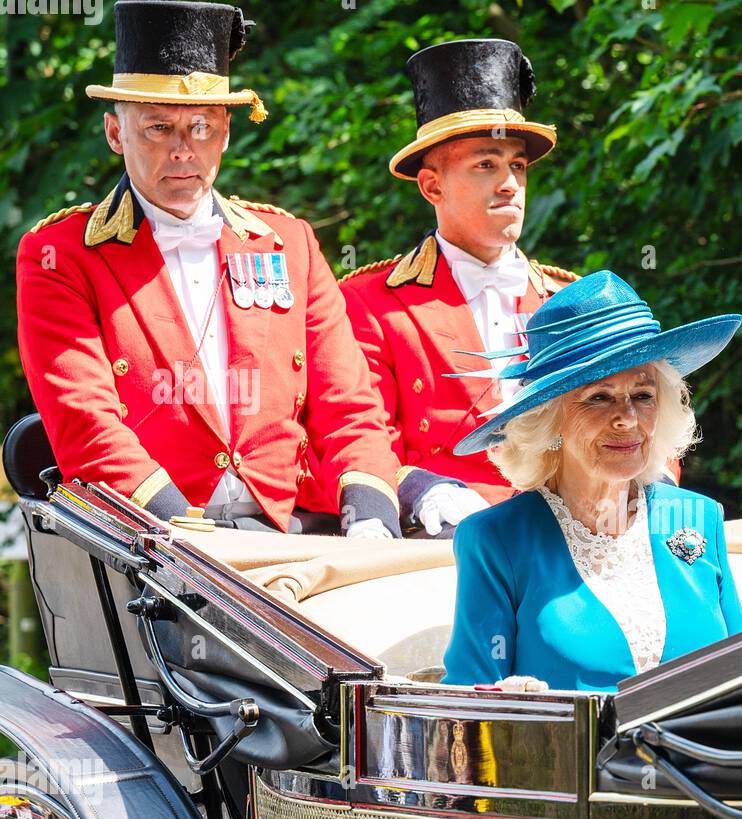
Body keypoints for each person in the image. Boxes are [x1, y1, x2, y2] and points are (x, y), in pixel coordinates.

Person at [14, 0, 452, 537]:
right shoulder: (62, 253)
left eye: (201, 127)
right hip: (154, 538)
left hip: (291, 528)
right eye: (157, 127)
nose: (182, 150)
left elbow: (348, 406)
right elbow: (85, 423)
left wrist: (371, 519)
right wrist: (185, 538)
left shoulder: (288, 243)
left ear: (225, 132)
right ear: (114, 133)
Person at [301, 38, 579, 537]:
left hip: (572, 533)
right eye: (485, 165)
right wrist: (417, 490)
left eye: (516, 165)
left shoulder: (569, 300)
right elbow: (350, 438)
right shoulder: (370, 305)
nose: (510, 183)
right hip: (443, 542)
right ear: (432, 186)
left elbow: (638, 412)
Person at [442, 271, 742, 692]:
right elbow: (464, 707)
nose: (627, 418)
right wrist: (513, 708)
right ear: (549, 419)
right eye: (599, 398)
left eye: (643, 395)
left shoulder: (699, 518)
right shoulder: (496, 540)